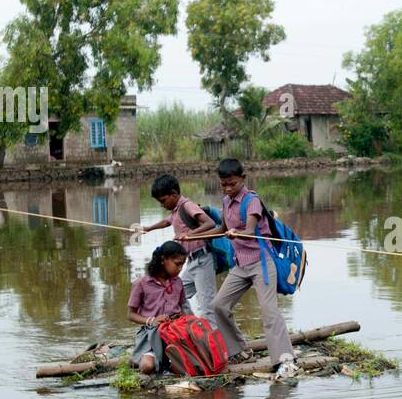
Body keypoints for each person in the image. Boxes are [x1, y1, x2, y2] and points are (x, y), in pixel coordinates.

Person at [202, 159, 296, 370]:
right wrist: (194, 236)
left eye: (232, 184)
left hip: (261, 263)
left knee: (269, 311)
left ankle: (284, 360)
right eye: (223, 184)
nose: (228, 188)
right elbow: (221, 229)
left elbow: (250, 231)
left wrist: (236, 233)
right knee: (219, 305)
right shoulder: (226, 201)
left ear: (243, 179)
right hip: (240, 265)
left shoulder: (251, 200)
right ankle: (239, 350)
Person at [131, 175, 220, 328]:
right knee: (178, 295)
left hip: (202, 259)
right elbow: (167, 221)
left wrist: (190, 235)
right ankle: (193, 327)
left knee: (207, 307)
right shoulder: (175, 210)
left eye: (163, 200)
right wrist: (148, 229)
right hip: (190, 262)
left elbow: (210, 223)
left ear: (174, 194)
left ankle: (212, 344)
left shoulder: (187, 205)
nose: (162, 205)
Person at [127, 241, 189, 374]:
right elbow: (131, 315)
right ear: (163, 260)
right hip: (150, 335)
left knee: (187, 367)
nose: (180, 269)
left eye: (182, 265)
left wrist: (189, 323)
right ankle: (140, 357)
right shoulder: (142, 283)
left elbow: (183, 308)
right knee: (147, 367)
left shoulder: (178, 282)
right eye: (177, 264)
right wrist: (151, 321)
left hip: (174, 333)